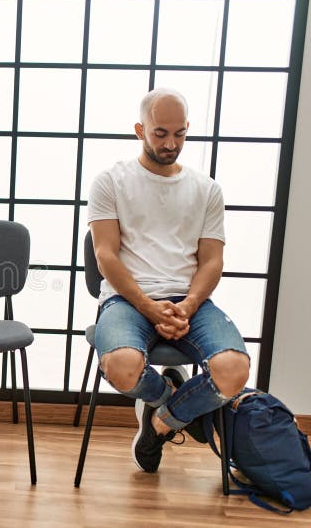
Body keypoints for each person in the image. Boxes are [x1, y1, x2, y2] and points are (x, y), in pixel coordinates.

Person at [86, 88, 250, 473]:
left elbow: (212, 261)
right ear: (140, 130)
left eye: (180, 134)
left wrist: (189, 305)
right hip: (128, 301)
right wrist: (148, 307)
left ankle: (161, 421)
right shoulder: (110, 181)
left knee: (234, 371)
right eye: (160, 133)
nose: (171, 143)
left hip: (189, 302)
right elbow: (105, 255)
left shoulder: (207, 189)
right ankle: (172, 397)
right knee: (120, 365)